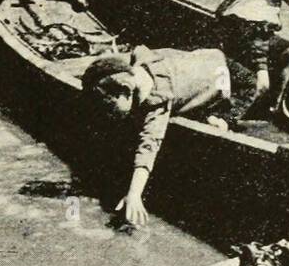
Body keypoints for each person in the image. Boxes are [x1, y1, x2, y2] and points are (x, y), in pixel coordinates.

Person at [82, 46, 232, 227]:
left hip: (226, 74)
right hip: (203, 56)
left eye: (108, 107)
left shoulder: (158, 100)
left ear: (125, 90)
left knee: (220, 121)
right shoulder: (140, 65)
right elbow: (139, 49)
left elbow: (149, 145)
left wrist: (134, 194)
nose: (106, 114)